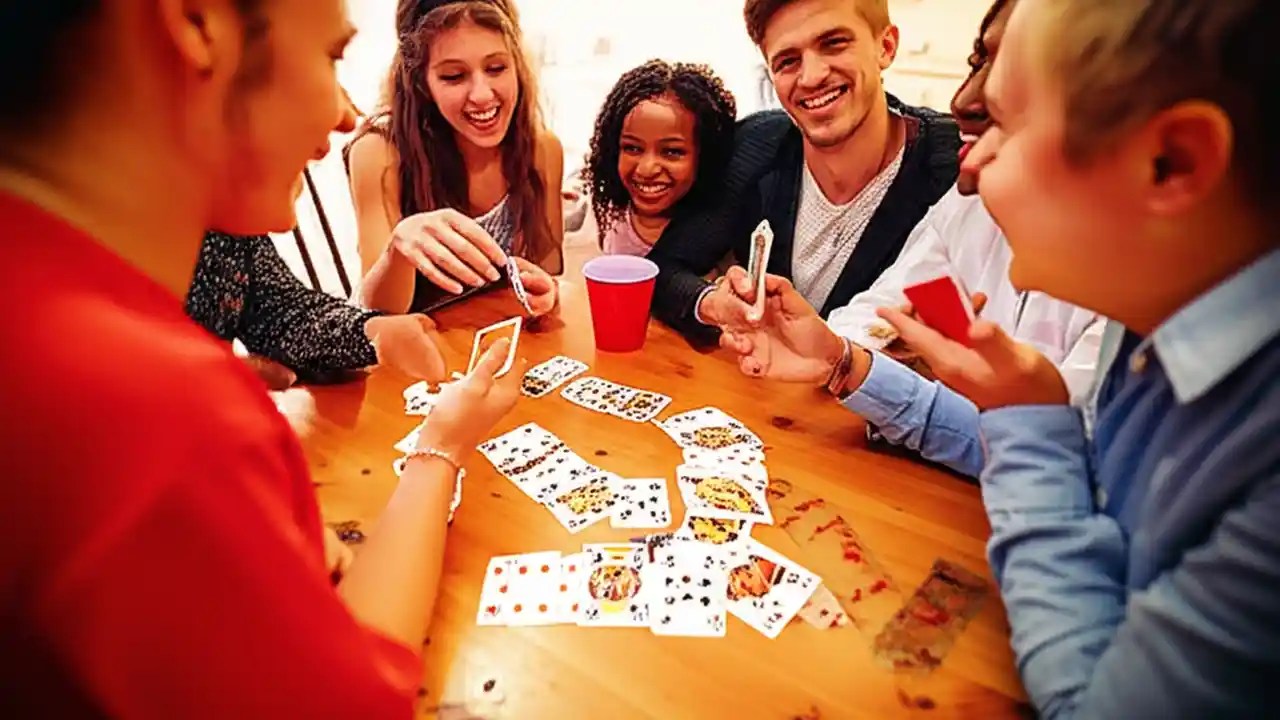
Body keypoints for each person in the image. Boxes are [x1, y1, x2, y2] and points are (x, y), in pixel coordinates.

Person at [0, 1, 521, 715]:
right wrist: (441, 447)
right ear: (196, 22)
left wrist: (372, 332)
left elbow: (277, 309)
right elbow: (353, 699)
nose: (343, 114)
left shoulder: (184, 237)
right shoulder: (145, 404)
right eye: (331, 56)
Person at [873, 0, 1279, 715]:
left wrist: (1030, 420)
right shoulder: (1148, 322)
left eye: (1006, 121)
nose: (976, 157)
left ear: (1173, 162)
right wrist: (1028, 410)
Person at [717, 0, 1103, 479]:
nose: (964, 101)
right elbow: (876, 315)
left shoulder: (945, 168)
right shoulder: (966, 204)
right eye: (977, 62)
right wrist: (841, 361)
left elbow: (1066, 459)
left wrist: (891, 370)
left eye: (1015, 71)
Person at [646, 0, 961, 344]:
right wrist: (711, 304)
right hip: (762, 390)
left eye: (834, 43)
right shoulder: (754, 146)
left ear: (885, 47)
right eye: (788, 61)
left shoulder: (956, 164)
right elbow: (662, 270)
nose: (811, 77)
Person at [348, 0, 563, 316]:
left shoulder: (542, 149)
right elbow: (378, 311)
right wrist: (400, 250)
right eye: (453, 76)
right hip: (404, 346)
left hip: (494, 340)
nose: (482, 94)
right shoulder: (378, 152)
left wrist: (544, 290)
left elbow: (550, 271)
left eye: (496, 68)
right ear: (421, 81)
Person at [582, 59, 737, 258]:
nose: (646, 169)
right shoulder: (611, 215)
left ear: (705, 155)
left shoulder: (720, 232)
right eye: (632, 148)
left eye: (672, 152)